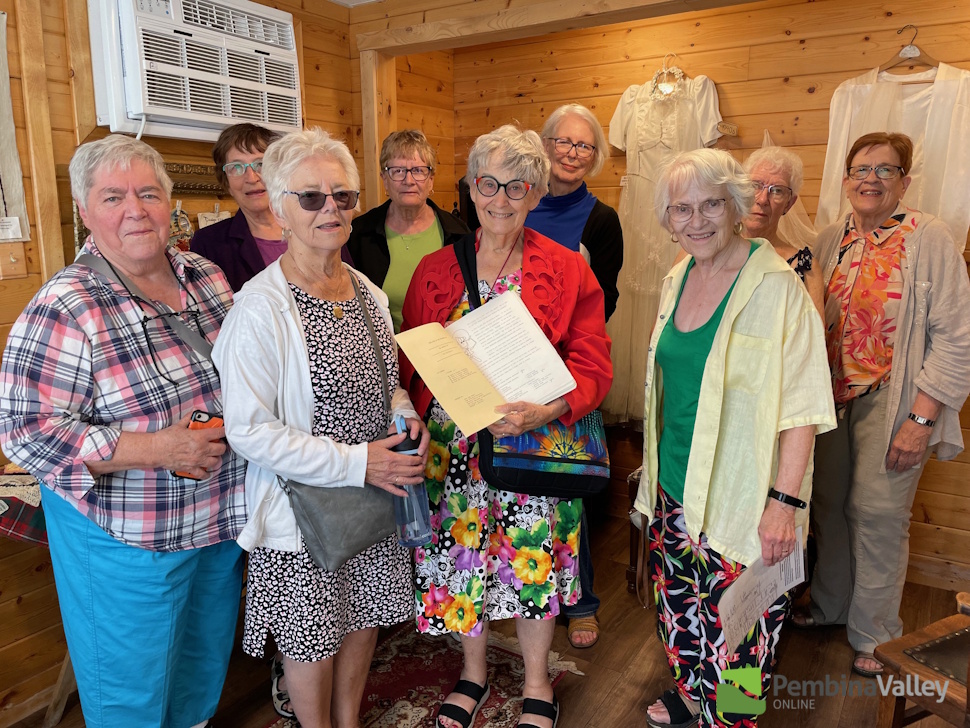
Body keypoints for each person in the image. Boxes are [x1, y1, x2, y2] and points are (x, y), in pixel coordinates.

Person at [0, 134, 246, 728]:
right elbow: (27, 431)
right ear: (85, 211)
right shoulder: (66, 304)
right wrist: (161, 446)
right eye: (113, 197)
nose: (135, 209)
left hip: (219, 519)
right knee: (130, 698)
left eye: (149, 193)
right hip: (128, 537)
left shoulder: (205, 275)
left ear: (171, 205)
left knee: (199, 673)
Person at [212, 127, 429, 728]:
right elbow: (250, 431)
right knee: (312, 639)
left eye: (343, 196)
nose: (330, 208)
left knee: (361, 620)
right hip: (303, 508)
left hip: (373, 495)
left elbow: (390, 383)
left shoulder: (366, 292)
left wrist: (408, 421)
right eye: (311, 197)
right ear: (280, 207)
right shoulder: (259, 309)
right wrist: (362, 461)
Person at [401, 124, 613, 728]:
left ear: (535, 191)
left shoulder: (568, 268)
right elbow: (413, 357)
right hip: (455, 450)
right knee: (461, 559)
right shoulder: (435, 269)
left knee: (531, 560)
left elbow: (593, 361)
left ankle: (538, 680)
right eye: (488, 184)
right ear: (470, 188)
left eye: (517, 186)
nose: (500, 198)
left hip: (533, 443)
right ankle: (473, 673)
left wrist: (548, 409)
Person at [635, 147, 835, 728]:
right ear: (668, 218)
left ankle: (736, 716)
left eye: (710, 205)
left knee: (746, 628)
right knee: (681, 608)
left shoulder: (778, 287)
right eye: (681, 209)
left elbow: (804, 405)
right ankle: (695, 696)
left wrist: (784, 505)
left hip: (749, 498)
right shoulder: (676, 278)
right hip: (675, 482)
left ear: (736, 206)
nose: (696, 221)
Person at [794, 132, 970, 678]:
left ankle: (876, 633)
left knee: (878, 513)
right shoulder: (830, 239)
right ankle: (830, 605)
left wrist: (922, 418)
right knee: (827, 504)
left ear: (904, 181)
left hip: (892, 399)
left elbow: (957, 335)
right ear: (845, 180)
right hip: (832, 399)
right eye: (860, 169)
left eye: (885, 170)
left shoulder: (928, 237)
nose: (870, 179)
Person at [524, 103, 623, 649]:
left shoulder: (601, 221)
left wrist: (551, 365)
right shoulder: (515, 201)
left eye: (584, 146)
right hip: (504, 370)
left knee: (567, 488)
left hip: (564, 372)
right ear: (544, 144)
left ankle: (581, 600)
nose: (571, 153)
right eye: (563, 141)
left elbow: (600, 304)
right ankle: (522, 588)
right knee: (513, 485)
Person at [346, 129, 469, 331]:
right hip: (384, 355)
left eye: (419, 171)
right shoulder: (358, 235)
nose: (409, 180)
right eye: (398, 171)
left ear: (431, 180)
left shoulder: (459, 234)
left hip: (443, 351)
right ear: (384, 178)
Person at [742, 146, 824, 315]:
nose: (763, 199)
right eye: (755, 185)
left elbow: (814, 337)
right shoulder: (709, 250)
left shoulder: (804, 266)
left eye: (777, 191)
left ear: (789, 203)